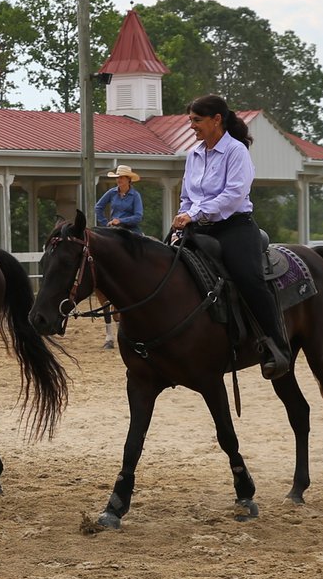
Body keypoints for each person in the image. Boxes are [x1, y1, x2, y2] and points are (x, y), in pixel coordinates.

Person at [172, 94, 292, 378]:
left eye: (197, 120)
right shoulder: (193, 155)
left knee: (249, 279)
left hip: (234, 227)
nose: (192, 126)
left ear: (217, 119)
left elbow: (233, 195)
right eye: (190, 120)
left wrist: (196, 214)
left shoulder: (236, 151)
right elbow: (187, 195)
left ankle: (276, 345)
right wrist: (183, 217)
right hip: (197, 228)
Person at [93, 164, 143, 351]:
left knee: (141, 251)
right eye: (117, 178)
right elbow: (98, 207)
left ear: (129, 180)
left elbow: (138, 216)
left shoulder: (135, 196)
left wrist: (121, 221)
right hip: (113, 230)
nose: (119, 180)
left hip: (130, 231)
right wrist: (105, 223)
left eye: (121, 178)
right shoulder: (112, 193)